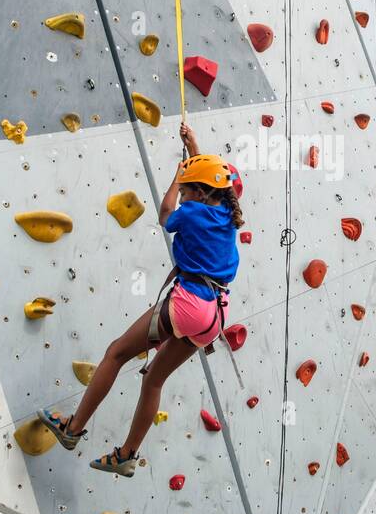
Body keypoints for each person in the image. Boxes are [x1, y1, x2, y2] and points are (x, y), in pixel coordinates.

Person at [37, 122, 241, 476]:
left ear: (198, 192)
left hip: (189, 304)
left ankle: (72, 429)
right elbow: (209, 181)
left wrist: (177, 179)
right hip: (214, 316)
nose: (187, 195)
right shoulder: (226, 211)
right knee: (154, 381)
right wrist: (193, 145)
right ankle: (127, 455)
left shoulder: (192, 211)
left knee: (116, 353)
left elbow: (165, 215)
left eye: (190, 191)